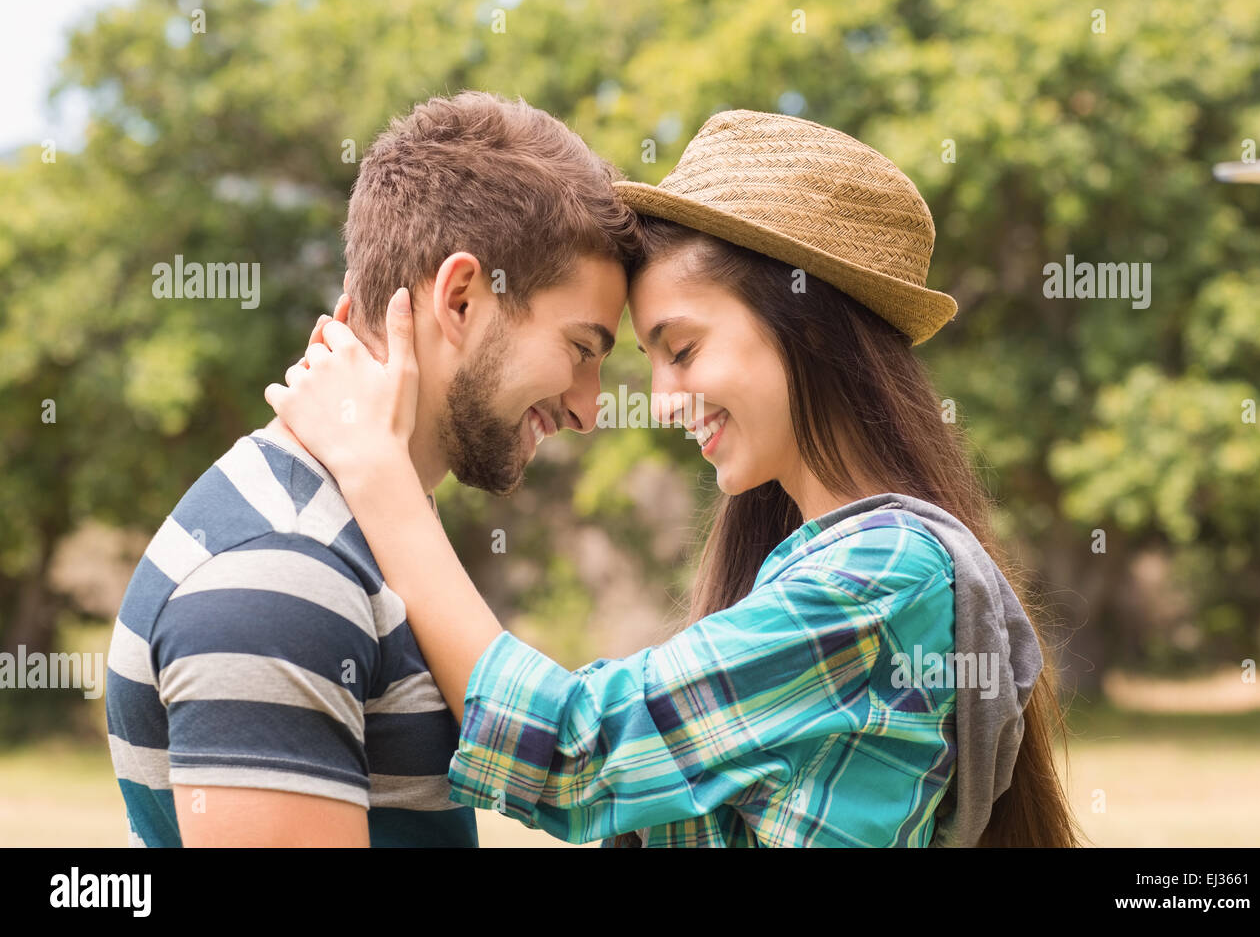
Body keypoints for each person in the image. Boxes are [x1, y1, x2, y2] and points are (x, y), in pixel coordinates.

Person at [267, 110, 1082, 847]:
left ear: (807, 326)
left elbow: (573, 748)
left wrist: (378, 473)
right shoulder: (812, 569)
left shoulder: (883, 578)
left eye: (682, 349)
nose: (660, 401)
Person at [103, 90, 641, 846]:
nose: (588, 409)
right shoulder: (280, 575)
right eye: (582, 350)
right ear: (460, 299)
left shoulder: (358, 534)